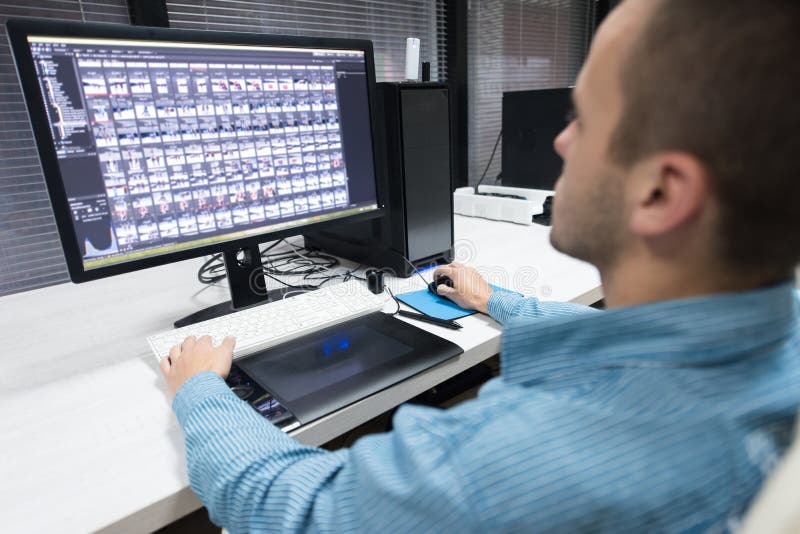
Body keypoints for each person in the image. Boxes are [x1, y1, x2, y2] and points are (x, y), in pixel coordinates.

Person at [159, 0, 800, 531]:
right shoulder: (780, 331)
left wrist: (201, 392)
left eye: (586, 119)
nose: (559, 140)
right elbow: (636, 342)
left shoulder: (513, 465)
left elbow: (298, 510)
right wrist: (496, 300)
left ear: (659, 193)